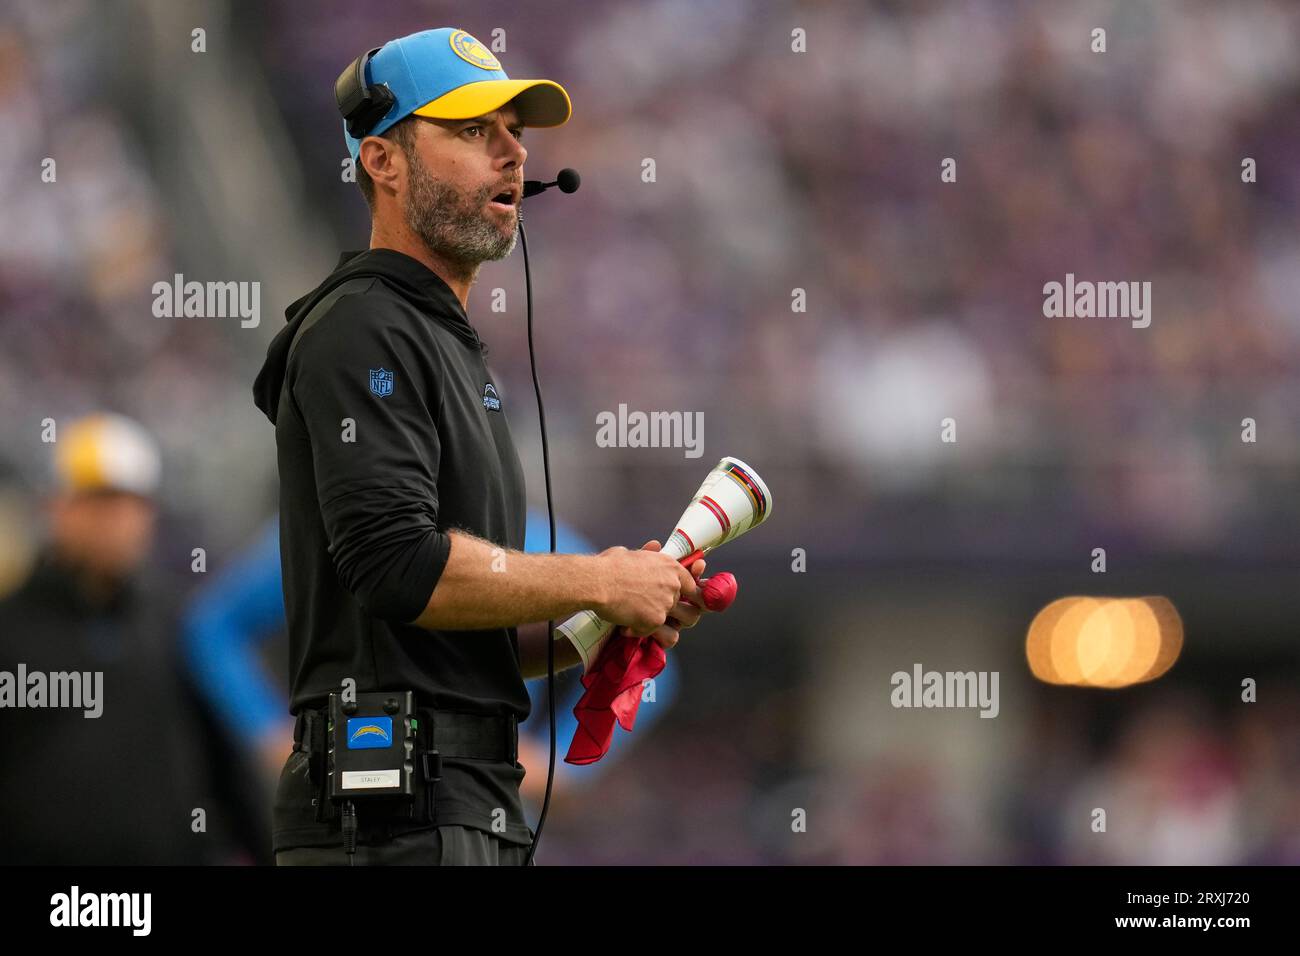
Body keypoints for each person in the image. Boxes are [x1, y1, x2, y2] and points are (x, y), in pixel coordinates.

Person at [251, 27, 713, 866]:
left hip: (455, 806)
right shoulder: (362, 326)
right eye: (470, 130)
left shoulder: (443, 342)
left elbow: (453, 649)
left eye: (515, 132)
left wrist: (588, 629)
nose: (510, 153)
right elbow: (398, 564)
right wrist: (600, 576)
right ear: (383, 160)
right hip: (387, 817)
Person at [0, 412, 242, 864]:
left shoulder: (175, 624)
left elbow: (225, 764)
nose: (118, 520)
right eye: (100, 500)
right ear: (58, 508)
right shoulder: (10, 632)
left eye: (133, 503)